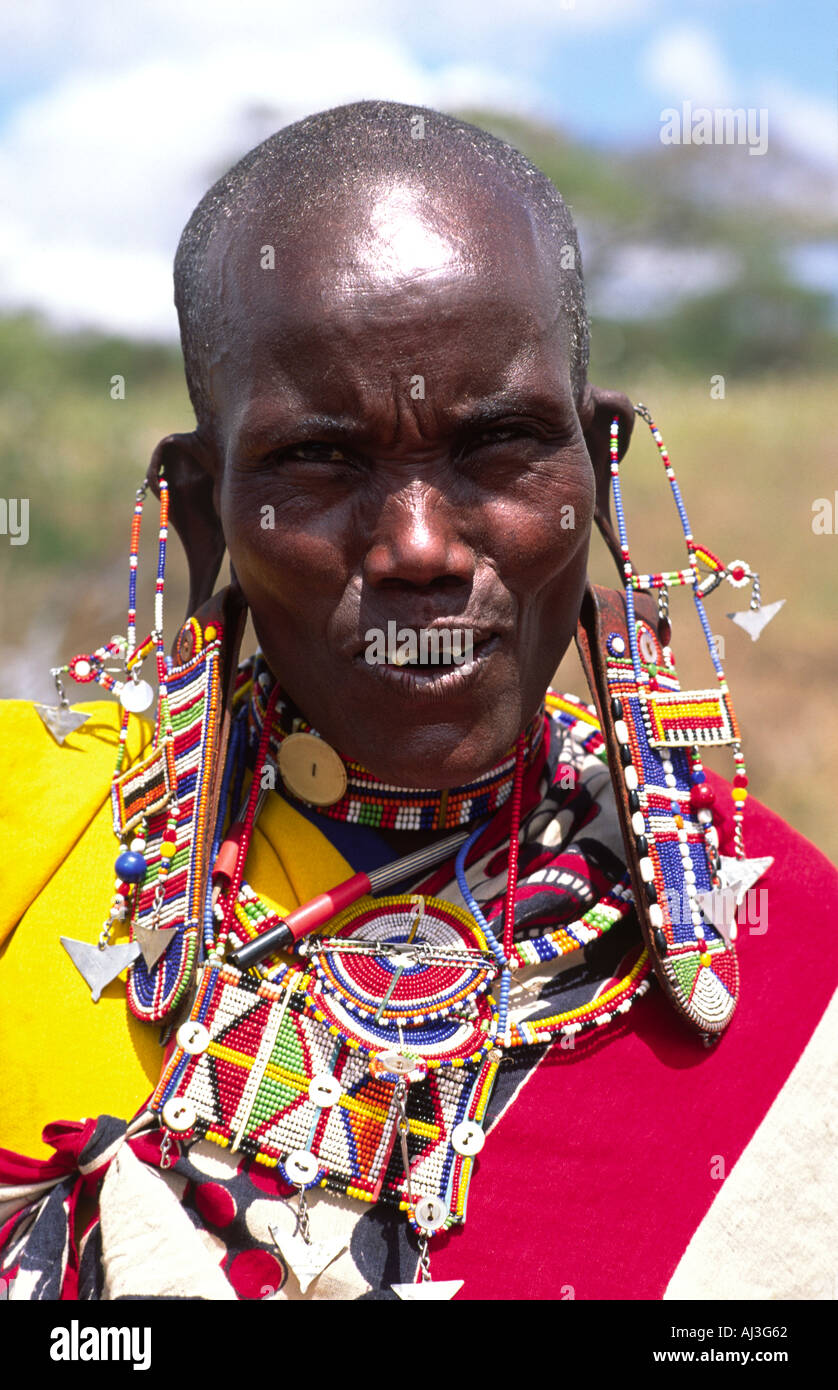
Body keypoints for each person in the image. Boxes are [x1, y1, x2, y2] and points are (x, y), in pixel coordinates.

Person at [0, 100, 836, 1303]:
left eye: (498, 445)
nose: (419, 547)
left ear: (597, 480)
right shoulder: (32, 852)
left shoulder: (796, 957)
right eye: (320, 460)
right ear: (198, 510)